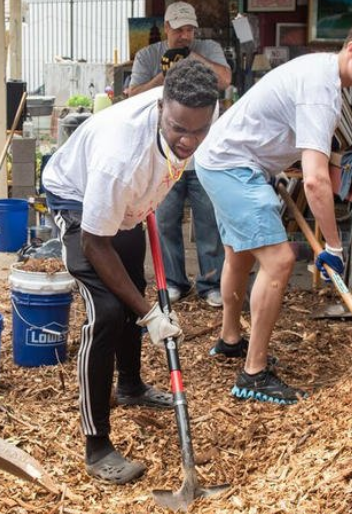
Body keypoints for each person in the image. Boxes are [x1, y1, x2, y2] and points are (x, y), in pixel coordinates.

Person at [195, 17, 352, 405]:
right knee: (278, 260)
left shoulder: (323, 75)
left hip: (228, 161)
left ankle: (230, 340)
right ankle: (253, 375)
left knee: (239, 254)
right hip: (232, 166)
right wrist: (334, 247)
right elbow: (315, 181)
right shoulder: (321, 90)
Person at [42, 58, 221, 484]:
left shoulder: (192, 122)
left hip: (126, 206)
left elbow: (174, 155)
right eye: (179, 128)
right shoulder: (119, 156)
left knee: (131, 287)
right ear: (161, 106)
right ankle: (96, 443)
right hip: (79, 200)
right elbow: (93, 243)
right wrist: (149, 313)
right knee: (108, 311)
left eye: (199, 130)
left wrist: (140, 304)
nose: (188, 140)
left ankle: (132, 386)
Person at [127, 1, 231, 309]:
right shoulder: (148, 55)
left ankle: (211, 283)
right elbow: (131, 96)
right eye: (179, 29)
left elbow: (224, 79)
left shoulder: (207, 48)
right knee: (164, 221)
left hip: (205, 153)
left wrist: (191, 56)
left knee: (208, 221)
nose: (185, 35)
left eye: (190, 29)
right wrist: (163, 74)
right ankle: (173, 281)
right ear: (167, 27)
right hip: (164, 153)